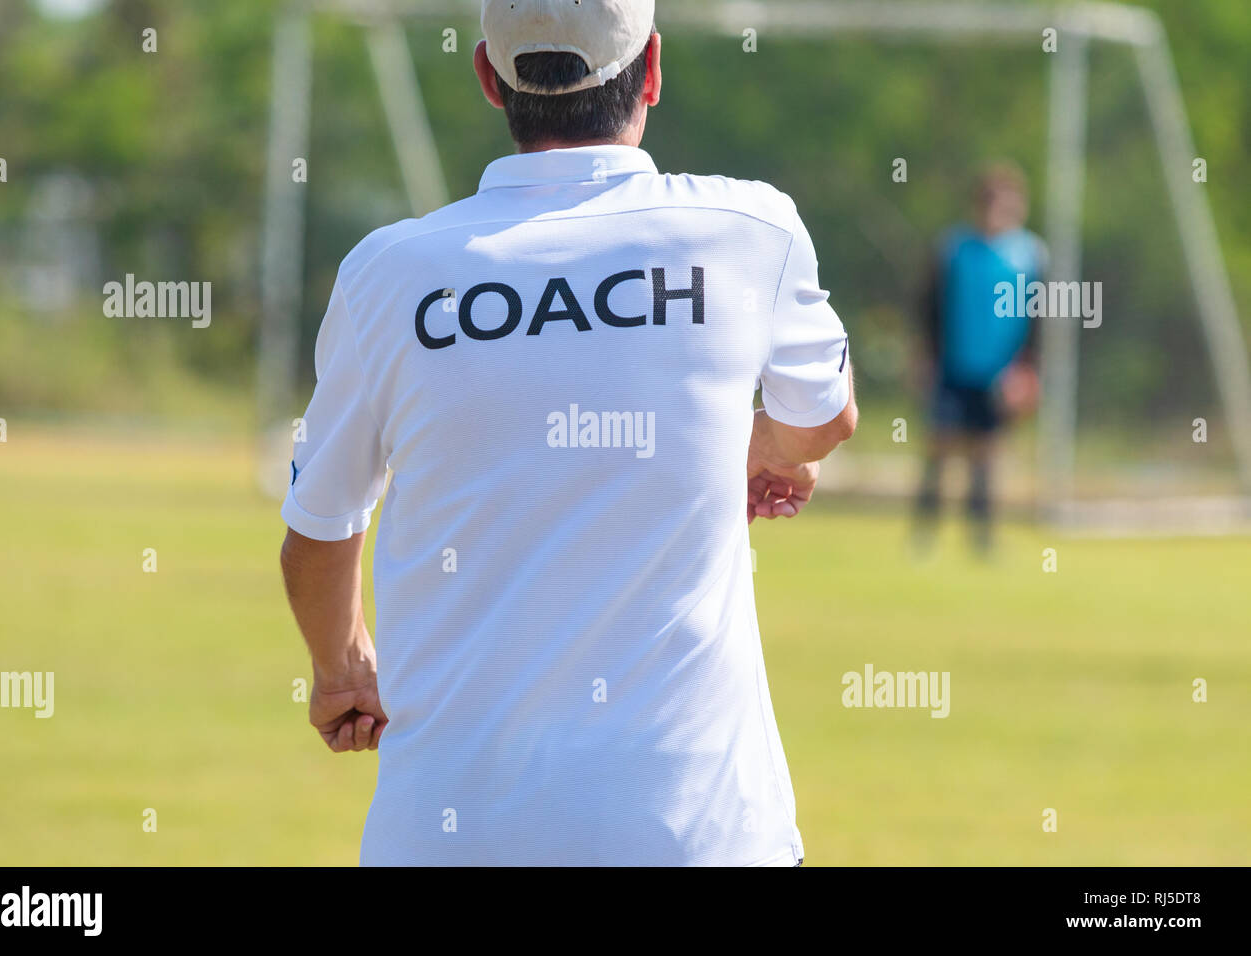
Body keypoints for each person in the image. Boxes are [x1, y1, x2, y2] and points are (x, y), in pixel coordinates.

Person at [278, 0, 857, 866]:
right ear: (653, 69)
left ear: (487, 76)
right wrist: (763, 449)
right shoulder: (750, 230)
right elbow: (825, 418)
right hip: (700, 835)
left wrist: (341, 670)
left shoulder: (387, 273)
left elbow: (318, 535)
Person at [913, 163, 1045, 555]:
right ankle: (924, 534)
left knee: (986, 456)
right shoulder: (954, 248)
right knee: (939, 448)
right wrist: (924, 356)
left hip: (1000, 374)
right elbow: (929, 306)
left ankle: (982, 540)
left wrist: (1026, 371)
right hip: (953, 367)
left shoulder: (1030, 255)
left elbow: (1037, 319)